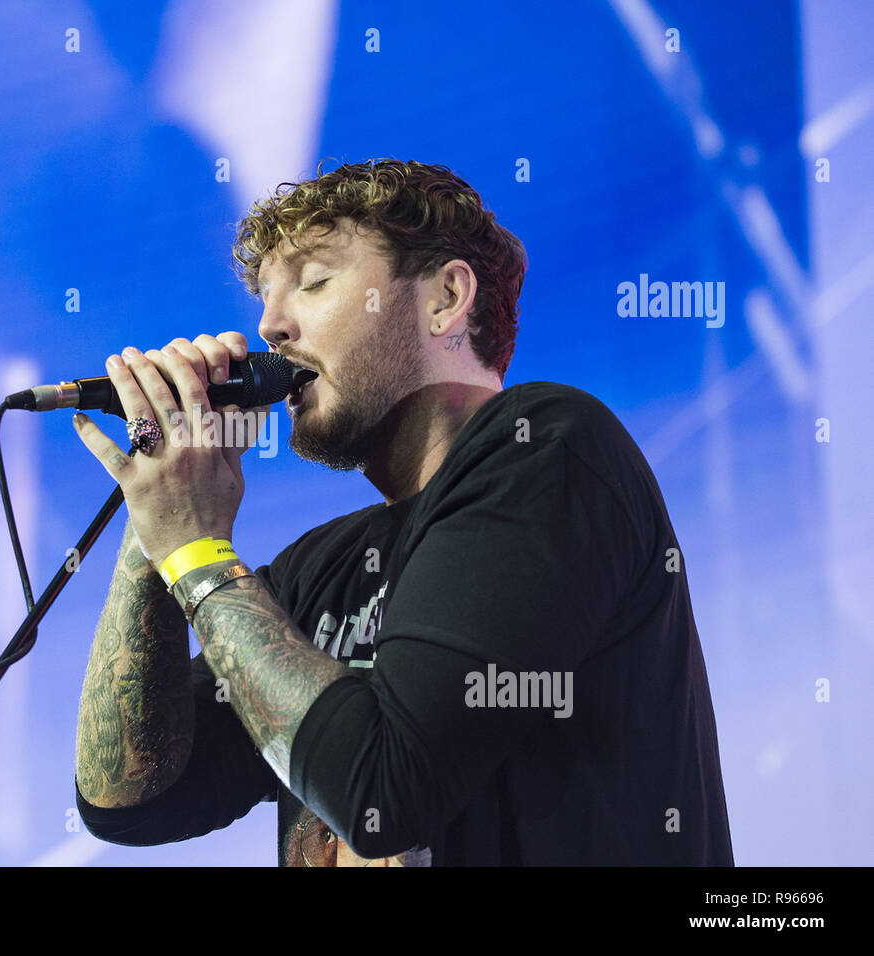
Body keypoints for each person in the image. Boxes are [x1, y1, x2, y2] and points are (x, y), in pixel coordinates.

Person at [70, 158, 734, 866]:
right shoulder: (316, 573)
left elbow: (386, 794)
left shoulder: (551, 448)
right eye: (264, 299)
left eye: (314, 281)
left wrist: (198, 552)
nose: (270, 326)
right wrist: (157, 526)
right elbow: (128, 797)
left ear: (445, 298)